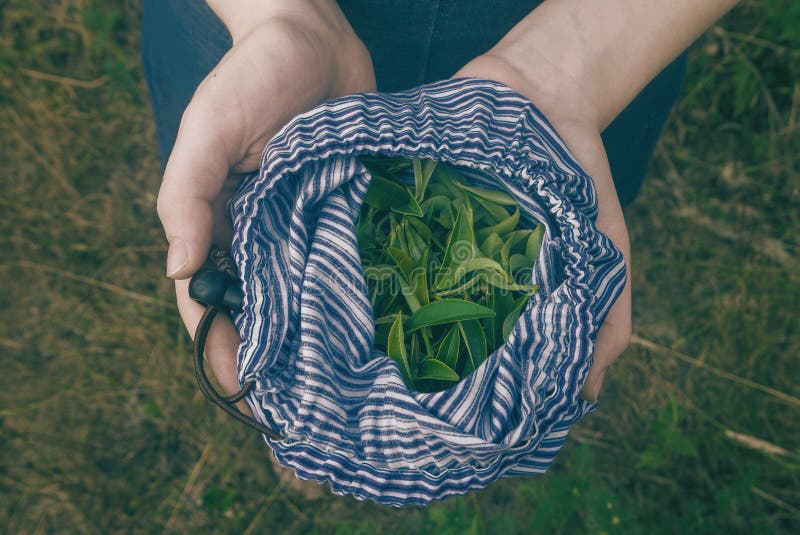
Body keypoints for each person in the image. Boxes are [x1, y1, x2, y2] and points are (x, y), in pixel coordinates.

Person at [143, 0, 739, 411]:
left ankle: (381, 415)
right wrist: (278, 14)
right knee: (284, 319)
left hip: (604, 27)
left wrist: (576, 66)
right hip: (254, 32)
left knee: (511, 267)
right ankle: (321, 415)